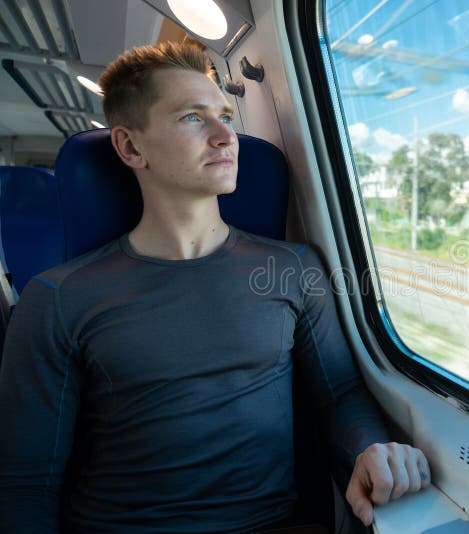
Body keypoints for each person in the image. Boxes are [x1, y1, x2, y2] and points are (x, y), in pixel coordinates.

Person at [0, 42, 429, 532]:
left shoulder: (292, 268)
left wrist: (368, 449)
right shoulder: (58, 298)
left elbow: (341, 395)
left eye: (225, 116)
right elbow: (25, 483)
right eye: (192, 118)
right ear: (131, 147)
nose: (227, 136)